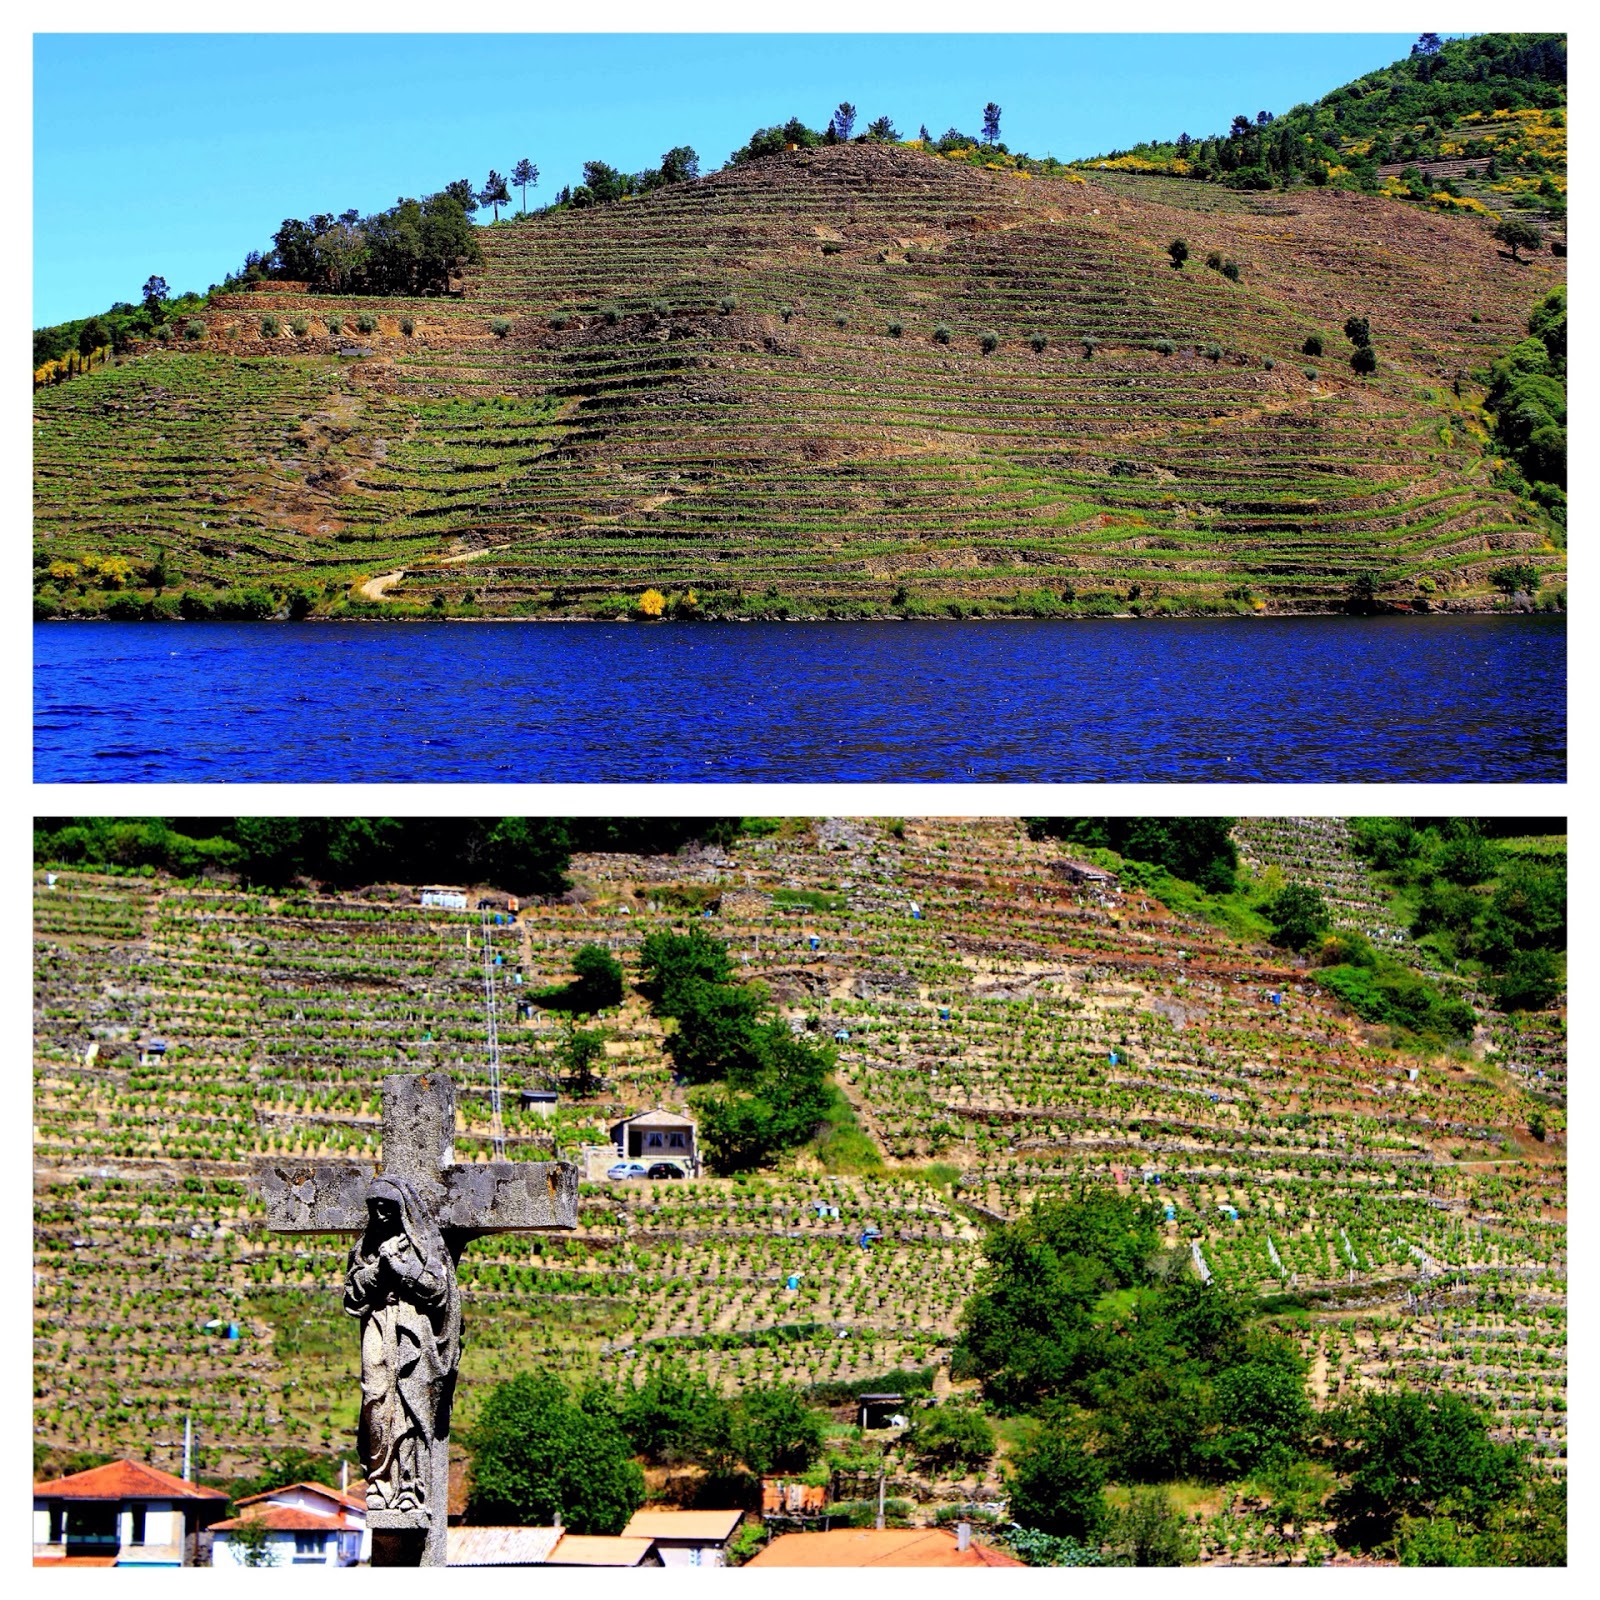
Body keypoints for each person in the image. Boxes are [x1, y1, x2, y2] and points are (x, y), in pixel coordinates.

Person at [343, 1176, 461, 1515]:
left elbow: (438, 1289)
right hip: (378, 1324)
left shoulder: (423, 1244)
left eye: (387, 1209)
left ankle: (410, 1484)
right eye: (374, 1209)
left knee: (410, 1404)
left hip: (413, 1330)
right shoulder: (367, 1248)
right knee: (376, 1399)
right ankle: (380, 1480)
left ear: (402, 1210)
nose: (379, 1216)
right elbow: (352, 1295)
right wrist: (379, 1270)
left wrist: (402, 1268)